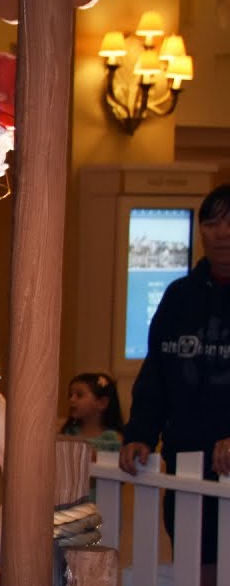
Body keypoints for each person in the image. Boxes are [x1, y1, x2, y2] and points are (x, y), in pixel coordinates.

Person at [121, 184, 230, 564]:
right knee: (192, 570)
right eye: (213, 223)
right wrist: (139, 434)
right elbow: (156, 375)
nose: (223, 233)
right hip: (185, 462)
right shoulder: (179, 297)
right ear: (201, 231)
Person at [59, 372, 124, 453]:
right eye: (70, 395)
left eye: (79, 395)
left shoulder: (114, 440)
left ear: (102, 403)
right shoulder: (69, 433)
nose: (71, 399)